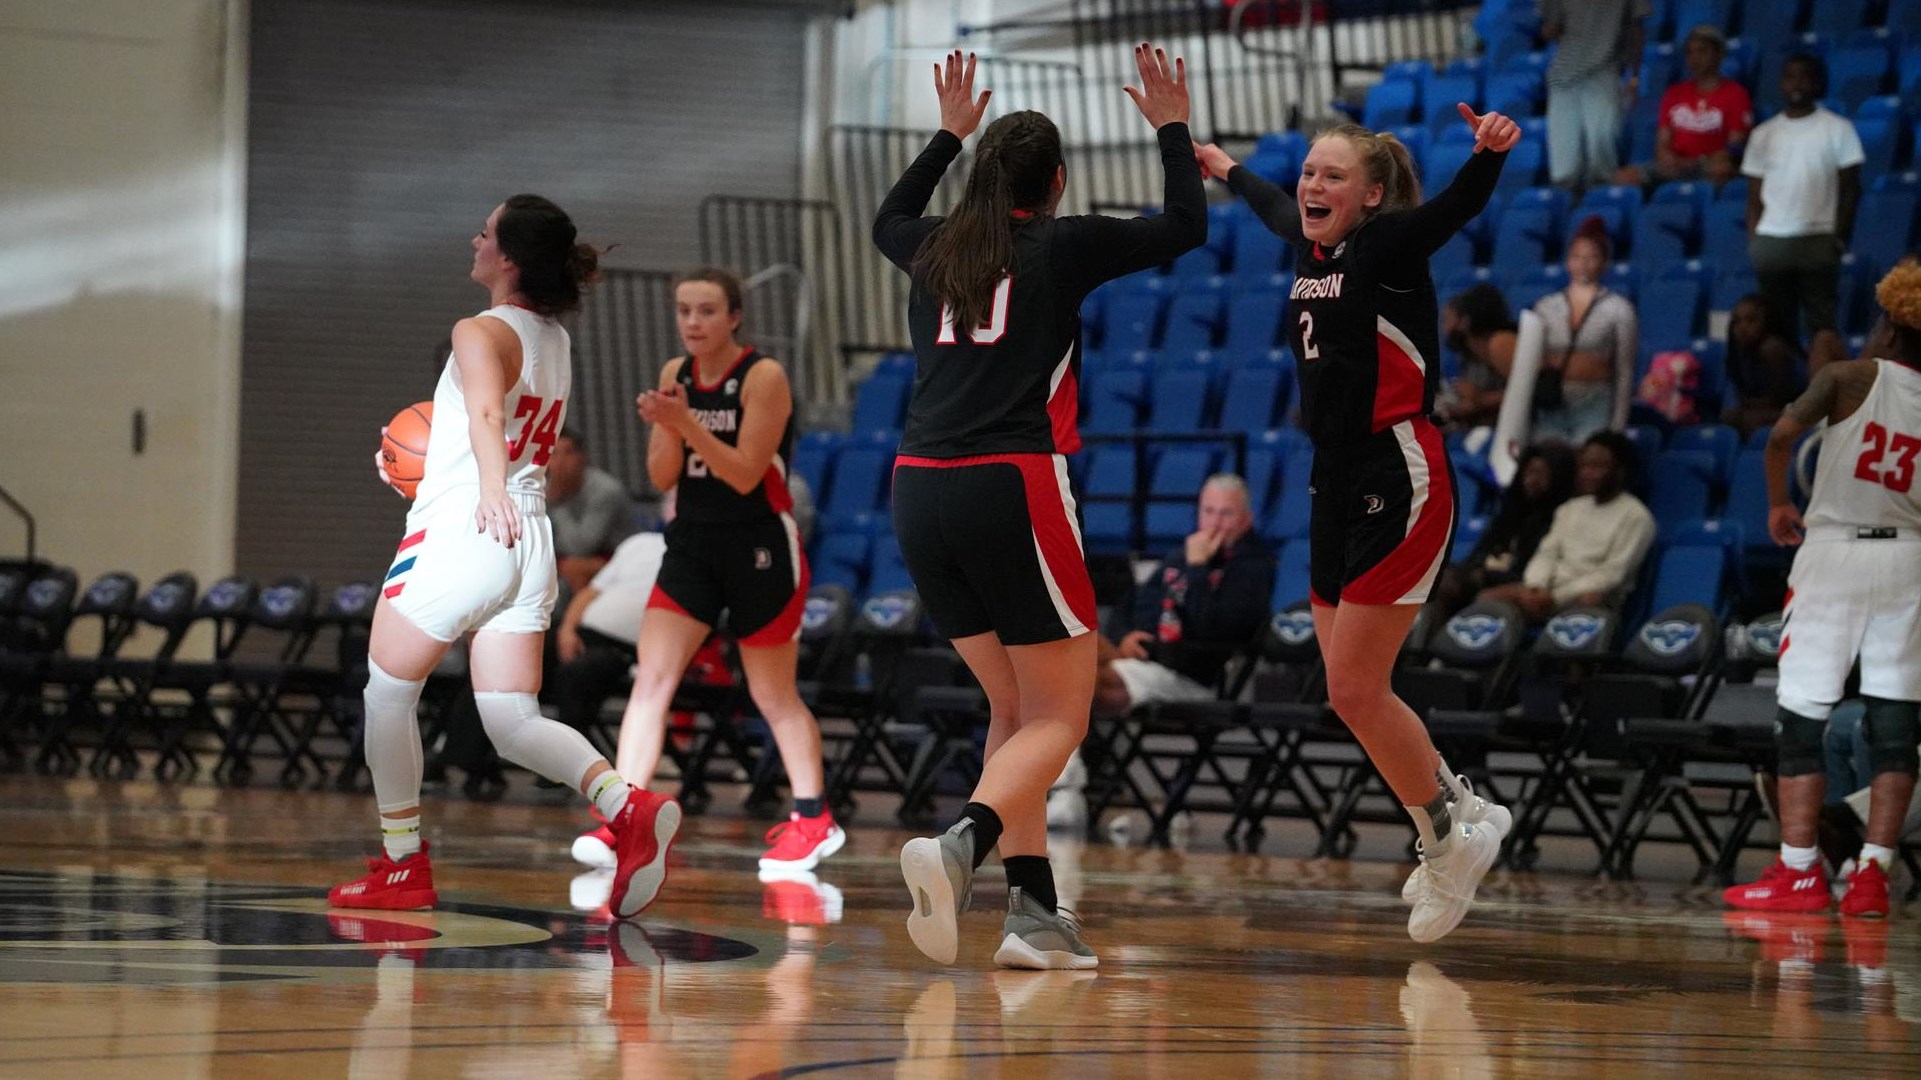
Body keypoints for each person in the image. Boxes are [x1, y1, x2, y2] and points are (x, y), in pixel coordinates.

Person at [873, 45, 1203, 970]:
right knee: (1062, 712)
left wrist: (947, 133)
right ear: (1056, 182)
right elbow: (1185, 225)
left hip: (916, 485)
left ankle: (1034, 914)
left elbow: (887, 214)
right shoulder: (1060, 243)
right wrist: (1171, 125)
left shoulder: (933, 243)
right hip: (1010, 479)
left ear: (982, 175)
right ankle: (961, 844)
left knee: (1012, 706)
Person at [1196, 100, 1521, 942]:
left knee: (1352, 685)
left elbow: (1455, 209)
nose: (1311, 183)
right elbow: (1270, 202)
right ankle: (1457, 821)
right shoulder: (1311, 247)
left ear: (1372, 196)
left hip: (1398, 468)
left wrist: (1485, 155)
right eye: (1309, 170)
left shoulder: (1387, 246)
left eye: (1332, 174)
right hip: (1331, 476)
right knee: (1350, 693)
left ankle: (1449, 836)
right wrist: (1220, 164)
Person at [328, 195, 676, 922]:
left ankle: (403, 865)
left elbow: (488, 414)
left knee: (387, 692)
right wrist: (438, 469)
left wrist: (479, 487)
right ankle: (626, 805)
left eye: (485, 232)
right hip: (530, 540)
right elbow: (494, 426)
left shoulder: (478, 329)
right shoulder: (554, 338)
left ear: (508, 258)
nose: (474, 239)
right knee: (511, 716)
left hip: (470, 529)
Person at [594, 266, 844, 878]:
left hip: (760, 543)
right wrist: (666, 429)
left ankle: (813, 819)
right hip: (693, 544)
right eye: (684, 311)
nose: (692, 323)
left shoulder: (763, 376)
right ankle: (621, 817)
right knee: (651, 678)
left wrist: (684, 424)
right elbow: (660, 478)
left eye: (706, 311)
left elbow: (743, 472)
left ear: (734, 317)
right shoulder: (675, 377)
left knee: (771, 692)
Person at [1723, 260, 1921, 920]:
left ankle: (1800, 870)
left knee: (1802, 714)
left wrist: (1780, 504)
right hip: (1909, 563)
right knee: (1894, 722)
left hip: (1836, 552)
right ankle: (1873, 874)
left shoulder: (1845, 377)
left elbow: (1779, 437)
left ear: (1890, 323)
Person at [1092, 474, 1277, 718]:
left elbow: (1213, 629)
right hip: (1149, 660)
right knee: (1073, 654)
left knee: (1083, 679)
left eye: (1226, 514)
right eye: (1209, 511)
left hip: (1193, 674)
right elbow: (1133, 601)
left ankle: (1071, 755)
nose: (1215, 523)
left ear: (1246, 520)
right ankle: (1083, 751)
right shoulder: (1180, 557)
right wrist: (1125, 636)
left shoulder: (1254, 568)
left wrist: (1198, 568)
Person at [1744, 53, 1864, 370]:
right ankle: (1789, 404)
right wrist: (1755, 241)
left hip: (1818, 239)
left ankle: (1826, 403)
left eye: (1803, 76)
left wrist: (1839, 238)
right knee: (1776, 329)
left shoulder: (1838, 128)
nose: (1796, 83)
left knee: (1822, 328)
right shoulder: (1763, 134)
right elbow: (1754, 196)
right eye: (1790, 76)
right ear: (1781, 83)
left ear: (1816, 82)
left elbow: (1851, 189)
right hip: (1771, 241)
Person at [1479, 431, 1654, 623]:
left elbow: (1612, 574)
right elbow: (1547, 553)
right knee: (1487, 599)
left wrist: (1557, 597)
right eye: (1584, 466)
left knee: (1590, 600)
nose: (1587, 473)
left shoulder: (1636, 517)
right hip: (1546, 592)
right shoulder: (1570, 508)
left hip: (1589, 596)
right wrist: (1536, 587)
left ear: (1619, 471)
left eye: (1597, 467)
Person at [1427, 443, 1575, 619]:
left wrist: (1486, 576)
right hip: (1484, 578)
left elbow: (1536, 571)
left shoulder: (1564, 516)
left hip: (1525, 585)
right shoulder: (1512, 509)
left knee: (1476, 593)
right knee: (1439, 581)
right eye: (1529, 472)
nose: (1532, 480)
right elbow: (1480, 552)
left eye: (1541, 474)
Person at [550, 523, 667, 744]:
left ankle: (564, 767)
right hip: (582, 632)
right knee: (518, 648)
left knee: (578, 674)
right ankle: (470, 759)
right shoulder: (639, 543)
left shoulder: (701, 557)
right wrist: (567, 629)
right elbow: (590, 592)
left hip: (626, 649)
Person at [1527, 216, 1638, 444]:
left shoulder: (1619, 309)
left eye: (1592, 257)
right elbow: (1533, 360)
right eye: (1577, 257)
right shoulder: (1546, 306)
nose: (1584, 264)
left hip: (1595, 399)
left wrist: (1618, 424)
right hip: (1554, 399)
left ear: (1604, 262)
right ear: (1568, 261)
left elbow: (1624, 370)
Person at [1615, 24, 1752, 189]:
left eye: (1702, 51)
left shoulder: (1736, 94)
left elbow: (1734, 146)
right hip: (1675, 166)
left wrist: (1696, 162)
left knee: (1721, 169)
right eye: (1690, 53)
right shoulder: (1674, 93)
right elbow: (1663, 140)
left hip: (1708, 166)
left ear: (1719, 54)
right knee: (1624, 177)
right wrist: (1667, 157)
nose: (1695, 58)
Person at [1539, 0, 1650, 191]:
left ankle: (1600, 208)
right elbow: (1552, 28)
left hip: (1604, 70)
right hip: (1563, 76)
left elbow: (1636, 29)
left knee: (1602, 158)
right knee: (1564, 167)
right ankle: (1569, 210)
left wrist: (1634, 77)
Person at [548, 428, 640, 593]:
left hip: (618, 559)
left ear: (582, 458)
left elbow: (581, 548)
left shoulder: (605, 491)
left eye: (567, 453)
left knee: (573, 572)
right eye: (553, 453)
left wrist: (559, 502)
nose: (560, 461)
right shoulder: (541, 488)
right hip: (570, 559)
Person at [1723, 292, 1805, 438]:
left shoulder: (1773, 349)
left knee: (1751, 420)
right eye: (1737, 322)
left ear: (1767, 322)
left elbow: (1781, 400)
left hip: (1796, 410)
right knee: (1728, 417)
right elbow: (1742, 395)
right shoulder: (1738, 350)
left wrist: (1751, 405)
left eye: (1751, 321)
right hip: (1763, 410)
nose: (1742, 328)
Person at [1436, 283, 1516, 431]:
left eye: (1447, 319)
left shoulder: (1500, 344)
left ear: (1465, 321)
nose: (1444, 327)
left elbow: (1526, 393)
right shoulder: (1468, 354)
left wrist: (1482, 399)